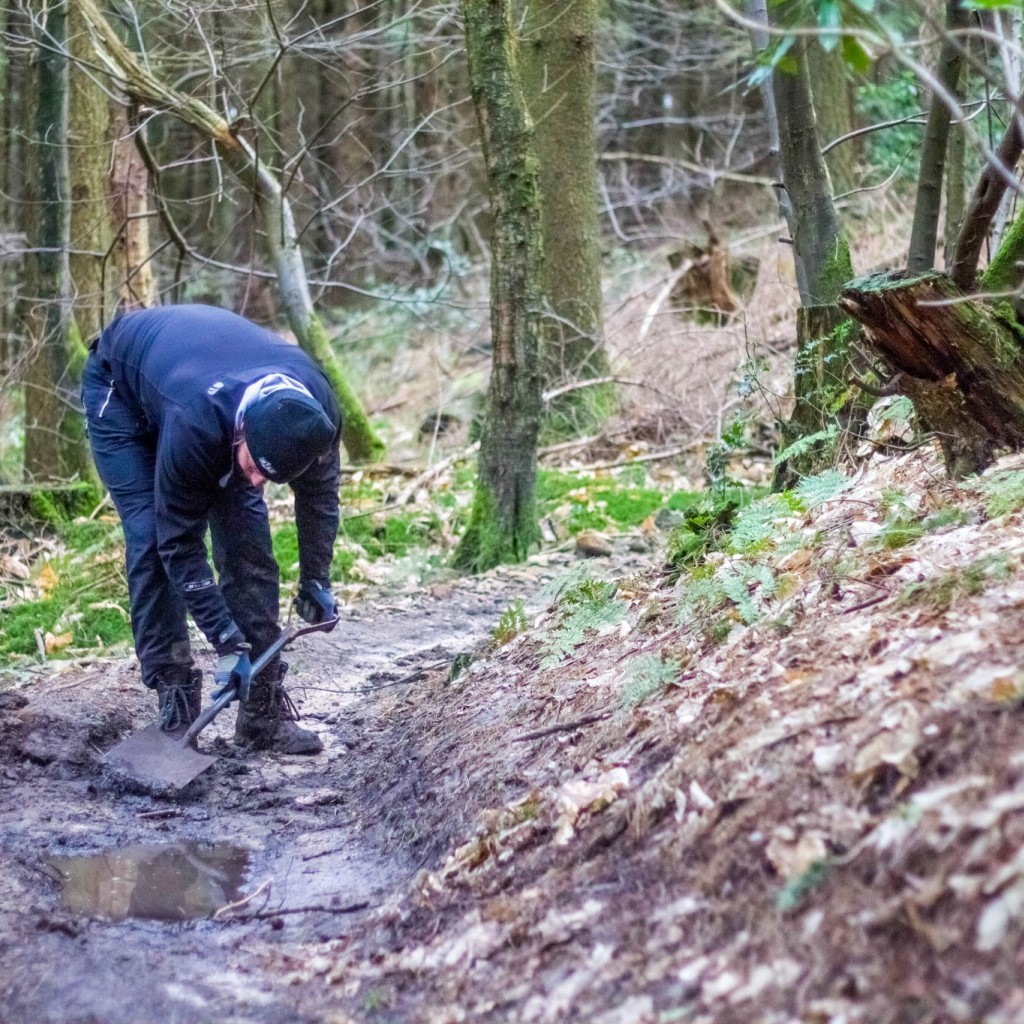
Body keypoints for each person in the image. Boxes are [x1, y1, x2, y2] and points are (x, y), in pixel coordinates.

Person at [82, 304, 342, 755]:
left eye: (270, 476)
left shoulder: (316, 416)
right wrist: (225, 640)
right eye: (256, 467)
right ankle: (175, 701)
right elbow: (178, 542)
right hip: (122, 394)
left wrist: (316, 579)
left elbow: (319, 497)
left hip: (205, 386)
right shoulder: (198, 423)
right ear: (242, 432)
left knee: (247, 538)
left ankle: (262, 714)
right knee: (150, 538)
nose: (258, 481)